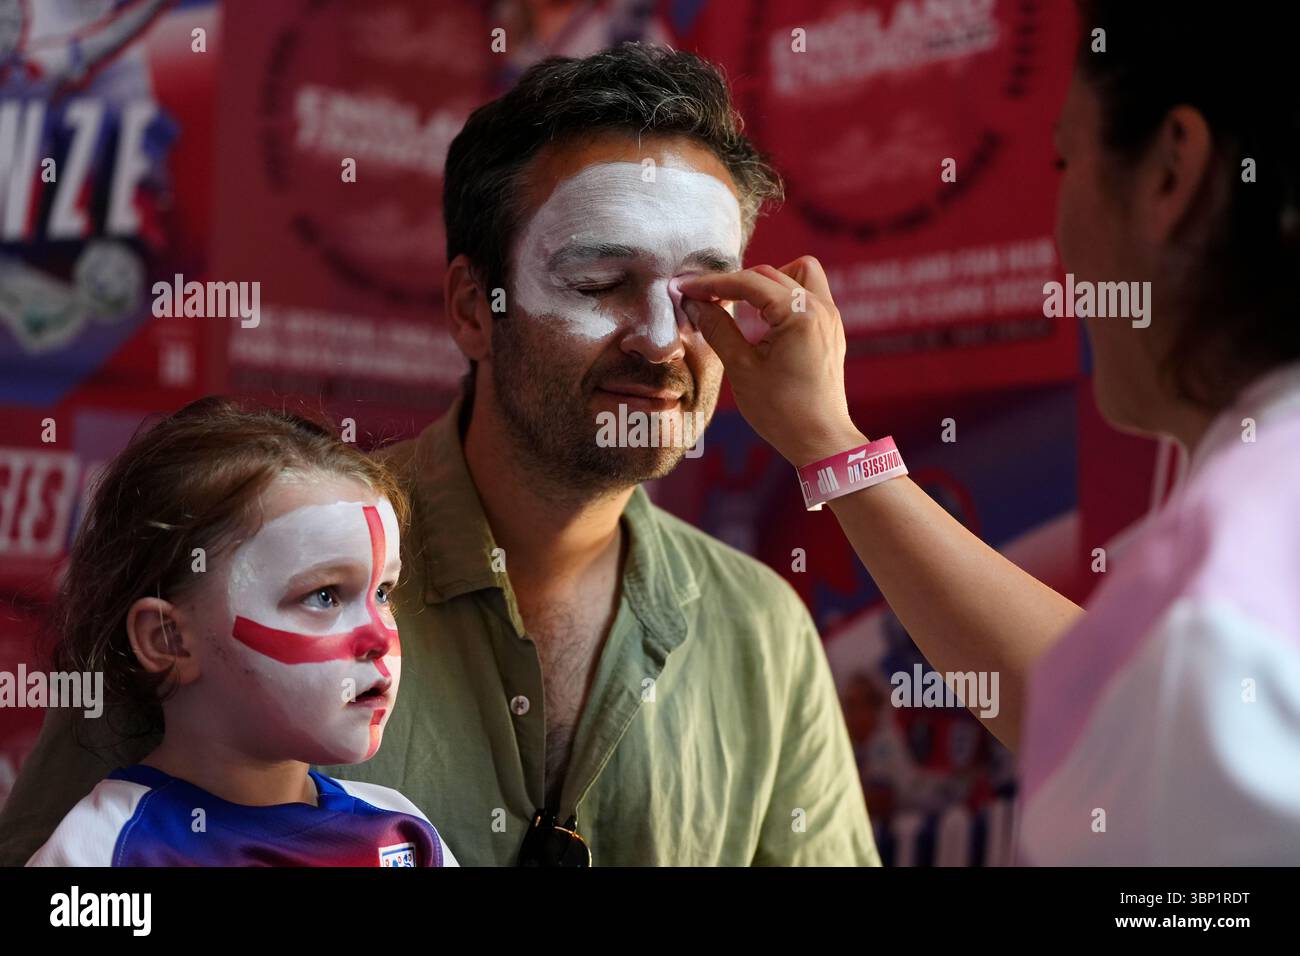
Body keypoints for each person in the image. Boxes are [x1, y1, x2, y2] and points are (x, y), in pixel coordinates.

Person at [0, 43, 876, 867]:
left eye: (701, 295)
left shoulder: (762, 631)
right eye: (602, 283)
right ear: (471, 308)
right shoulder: (232, 558)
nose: (661, 341)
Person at [675, 0, 1300, 865]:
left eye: (1064, 160)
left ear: (1170, 173)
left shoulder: (1217, 607)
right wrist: (829, 441)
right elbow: (1096, 703)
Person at [24, 397, 457, 866]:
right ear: (168, 640)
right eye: (324, 596)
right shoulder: (104, 849)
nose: (379, 637)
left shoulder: (402, 830)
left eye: (382, 592)